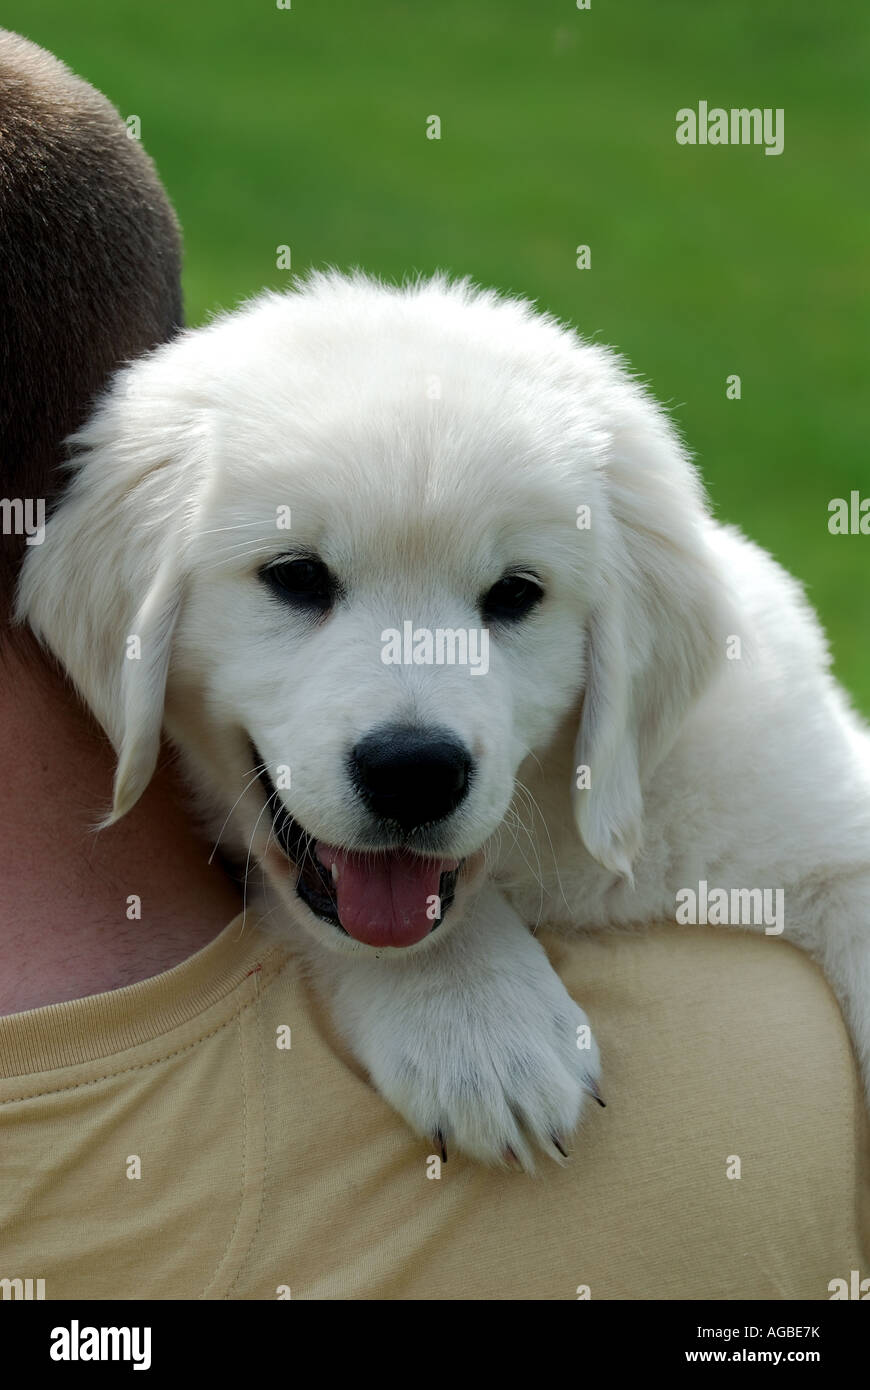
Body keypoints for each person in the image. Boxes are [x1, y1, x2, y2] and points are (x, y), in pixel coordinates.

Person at [0, 29, 865, 1301]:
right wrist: (417, 959)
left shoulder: (740, 731)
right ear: (124, 597)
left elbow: (843, 868)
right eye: (300, 582)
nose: (413, 723)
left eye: (513, 596)